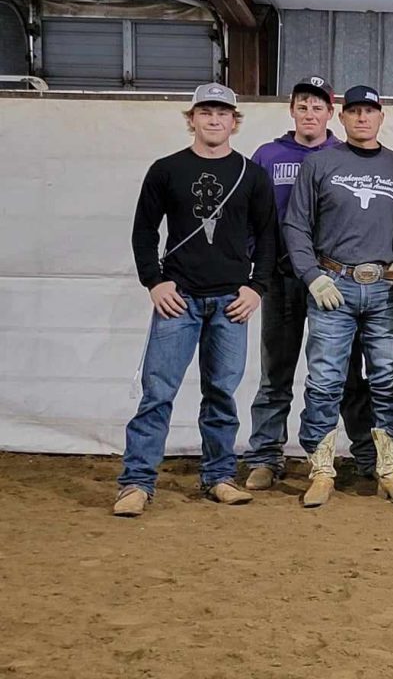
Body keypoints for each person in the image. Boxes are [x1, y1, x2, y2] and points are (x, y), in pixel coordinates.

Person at [114, 83, 276, 517]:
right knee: (157, 392)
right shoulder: (166, 170)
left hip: (231, 302)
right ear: (192, 119)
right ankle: (136, 482)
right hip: (178, 298)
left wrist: (256, 287)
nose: (214, 120)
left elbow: (267, 237)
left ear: (234, 121)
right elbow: (145, 231)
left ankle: (219, 477)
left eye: (223, 113)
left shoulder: (252, 175)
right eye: (206, 112)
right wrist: (155, 281)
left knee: (222, 394)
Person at [286, 85, 393, 509]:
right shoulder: (319, 164)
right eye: (355, 111)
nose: (362, 118)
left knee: (387, 378)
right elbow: (295, 225)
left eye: (370, 111)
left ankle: (389, 468)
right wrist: (311, 276)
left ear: (382, 117)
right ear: (341, 118)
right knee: (326, 378)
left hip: (383, 287)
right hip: (333, 284)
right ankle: (322, 468)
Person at [244, 75, 377, 490]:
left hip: (334, 278)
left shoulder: (344, 155)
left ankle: (366, 454)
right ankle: (266, 456)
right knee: (276, 371)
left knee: (348, 373)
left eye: (318, 107)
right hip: (283, 278)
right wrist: (257, 269)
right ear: (292, 111)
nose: (310, 113)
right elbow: (252, 217)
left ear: (329, 113)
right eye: (303, 106)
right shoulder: (267, 156)